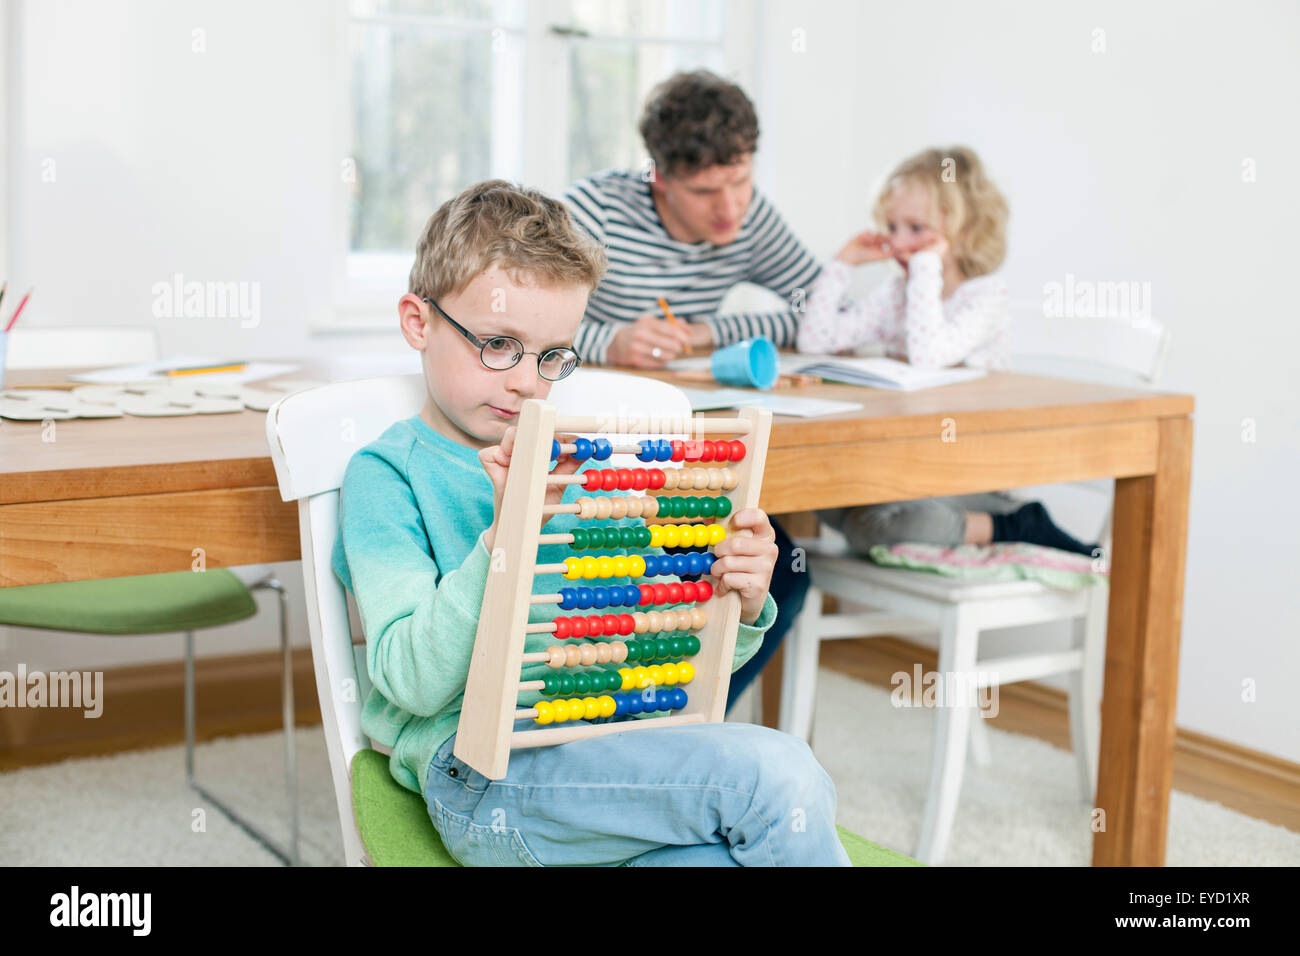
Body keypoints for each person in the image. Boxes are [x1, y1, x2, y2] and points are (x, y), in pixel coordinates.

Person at [331, 179, 850, 866]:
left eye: (551, 356)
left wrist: (741, 603)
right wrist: (507, 534)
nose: (526, 381)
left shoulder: (593, 468)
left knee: (733, 855)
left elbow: (659, 666)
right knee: (779, 778)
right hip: (482, 780)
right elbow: (412, 680)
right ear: (418, 322)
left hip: (605, 752)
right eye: (497, 344)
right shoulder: (389, 476)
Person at [563, 70, 821, 710]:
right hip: (597, 454)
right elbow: (516, 328)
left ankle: (688, 721)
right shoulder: (591, 213)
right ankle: (645, 719)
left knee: (777, 569)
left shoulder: (749, 216)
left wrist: (710, 331)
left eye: (740, 180)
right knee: (668, 576)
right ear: (660, 177)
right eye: (707, 191)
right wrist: (609, 341)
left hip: (693, 449)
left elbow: (818, 308)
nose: (730, 207)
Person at [799, 146, 1098, 557]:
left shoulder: (985, 297)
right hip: (911, 461)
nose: (900, 243)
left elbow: (927, 353)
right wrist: (842, 264)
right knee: (816, 490)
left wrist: (926, 268)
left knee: (870, 523)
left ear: (967, 231)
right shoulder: (897, 292)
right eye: (892, 226)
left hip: (969, 470)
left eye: (916, 229)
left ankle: (1013, 522)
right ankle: (947, 522)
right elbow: (814, 341)